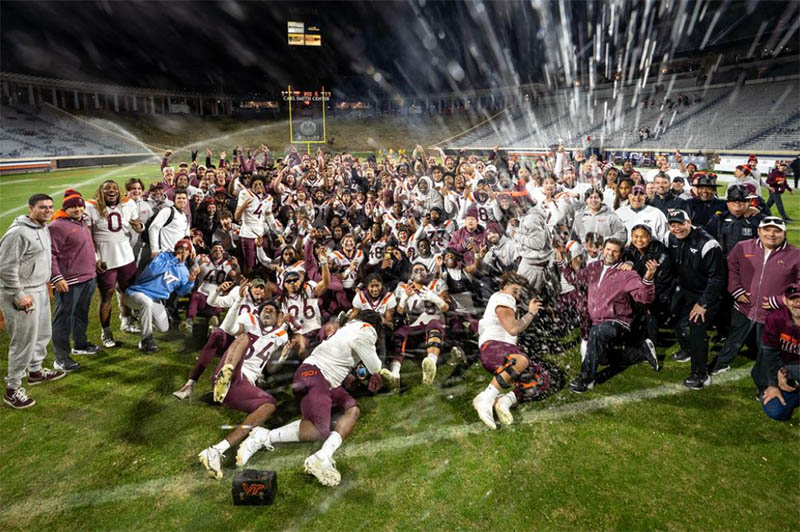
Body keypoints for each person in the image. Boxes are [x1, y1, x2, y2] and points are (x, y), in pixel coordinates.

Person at [234, 310, 385, 487]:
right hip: (316, 375)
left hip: (318, 378)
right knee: (318, 431)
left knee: (353, 409)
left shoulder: (348, 327)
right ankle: (264, 436)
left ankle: (324, 455)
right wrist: (380, 372)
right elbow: (375, 365)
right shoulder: (367, 329)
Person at [197, 300, 292, 479]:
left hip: (244, 384)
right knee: (243, 338)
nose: (268, 312)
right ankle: (225, 377)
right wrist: (237, 303)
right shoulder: (249, 322)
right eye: (265, 309)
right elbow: (231, 329)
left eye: (272, 311)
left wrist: (283, 357)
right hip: (232, 369)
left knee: (269, 405)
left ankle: (217, 450)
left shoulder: (281, 336)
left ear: (278, 316)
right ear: (259, 313)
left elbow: (271, 369)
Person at [564, 238, 660, 393]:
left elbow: (644, 298)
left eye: (615, 251)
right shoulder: (593, 267)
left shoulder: (626, 273)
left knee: (596, 333)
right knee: (601, 357)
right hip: (598, 323)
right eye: (608, 249)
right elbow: (575, 280)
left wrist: (648, 277)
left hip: (619, 322)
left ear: (621, 255)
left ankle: (586, 379)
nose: (610, 253)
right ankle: (641, 352)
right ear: (602, 250)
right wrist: (562, 262)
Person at [711, 218, 800, 380]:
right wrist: (736, 290)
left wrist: (780, 300)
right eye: (767, 230)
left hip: (773, 313)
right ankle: (722, 363)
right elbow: (731, 268)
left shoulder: (796, 255)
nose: (771, 234)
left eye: (777, 231)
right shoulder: (742, 247)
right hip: (743, 307)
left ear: (784, 234)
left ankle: (766, 381)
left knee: (767, 347)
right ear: (759, 231)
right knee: (734, 337)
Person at [1, 194, 65, 409]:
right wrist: (19, 295)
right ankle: (12, 388)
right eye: (42, 207)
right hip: (23, 292)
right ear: (31, 208)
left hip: (39, 288)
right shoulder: (18, 233)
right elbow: (6, 268)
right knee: (23, 341)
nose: (48, 211)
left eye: (50, 207)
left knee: (42, 333)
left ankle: (35, 371)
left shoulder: (43, 228)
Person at [471, 272, 542, 428]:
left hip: (500, 351)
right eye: (514, 290)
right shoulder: (504, 298)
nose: (517, 294)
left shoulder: (504, 299)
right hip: (494, 348)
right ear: (504, 287)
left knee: (542, 379)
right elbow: (513, 329)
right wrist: (531, 313)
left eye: (520, 292)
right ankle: (486, 398)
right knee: (521, 361)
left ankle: (504, 401)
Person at [666, 209, 726, 389]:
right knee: (674, 317)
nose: (677, 228)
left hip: (706, 293)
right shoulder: (671, 238)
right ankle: (687, 350)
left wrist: (703, 303)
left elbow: (717, 279)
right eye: (673, 225)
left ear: (689, 222)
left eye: (680, 223)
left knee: (696, 327)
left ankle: (700, 374)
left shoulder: (708, 243)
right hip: (686, 290)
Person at [86, 180, 143, 347]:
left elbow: (138, 225)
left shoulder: (128, 204)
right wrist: (95, 258)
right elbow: (88, 237)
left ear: (119, 191)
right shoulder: (91, 207)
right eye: (107, 189)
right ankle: (106, 332)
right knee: (106, 295)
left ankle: (126, 321)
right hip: (105, 257)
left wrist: (140, 226)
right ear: (100, 192)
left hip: (126, 255)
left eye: (114, 188)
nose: (111, 191)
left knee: (127, 291)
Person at [49, 192, 99, 372]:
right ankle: (61, 358)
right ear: (65, 208)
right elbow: (50, 254)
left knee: (81, 314)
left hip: (88, 277)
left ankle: (80, 344)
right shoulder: (57, 226)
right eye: (73, 207)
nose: (78, 209)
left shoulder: (81, 221)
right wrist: (57, 277)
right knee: (63, 320)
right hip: (69, 281)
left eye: (80, 206)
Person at [124, 239, 196, 353]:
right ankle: (146, 340)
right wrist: (173, 260)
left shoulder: (184, 272)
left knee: (163, 328)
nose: (183, 252)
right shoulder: (163, 256)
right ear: (175, 250)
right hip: (137, 292)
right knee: (146, 303)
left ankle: (141, 315)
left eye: (186, 250)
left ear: (189, 253)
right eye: (180, 249)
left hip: (156, 300)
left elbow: (181, 292)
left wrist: (190, 283)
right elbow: (153, 270)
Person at [759, 284, 800, 420]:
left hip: (791, 370)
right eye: (793, 298)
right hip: (784, 368)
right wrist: (773, 384)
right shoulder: (775, 318)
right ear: (785, 301)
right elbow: (769, 353)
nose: (798, 303)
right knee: (775, 410)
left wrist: (786, 372)